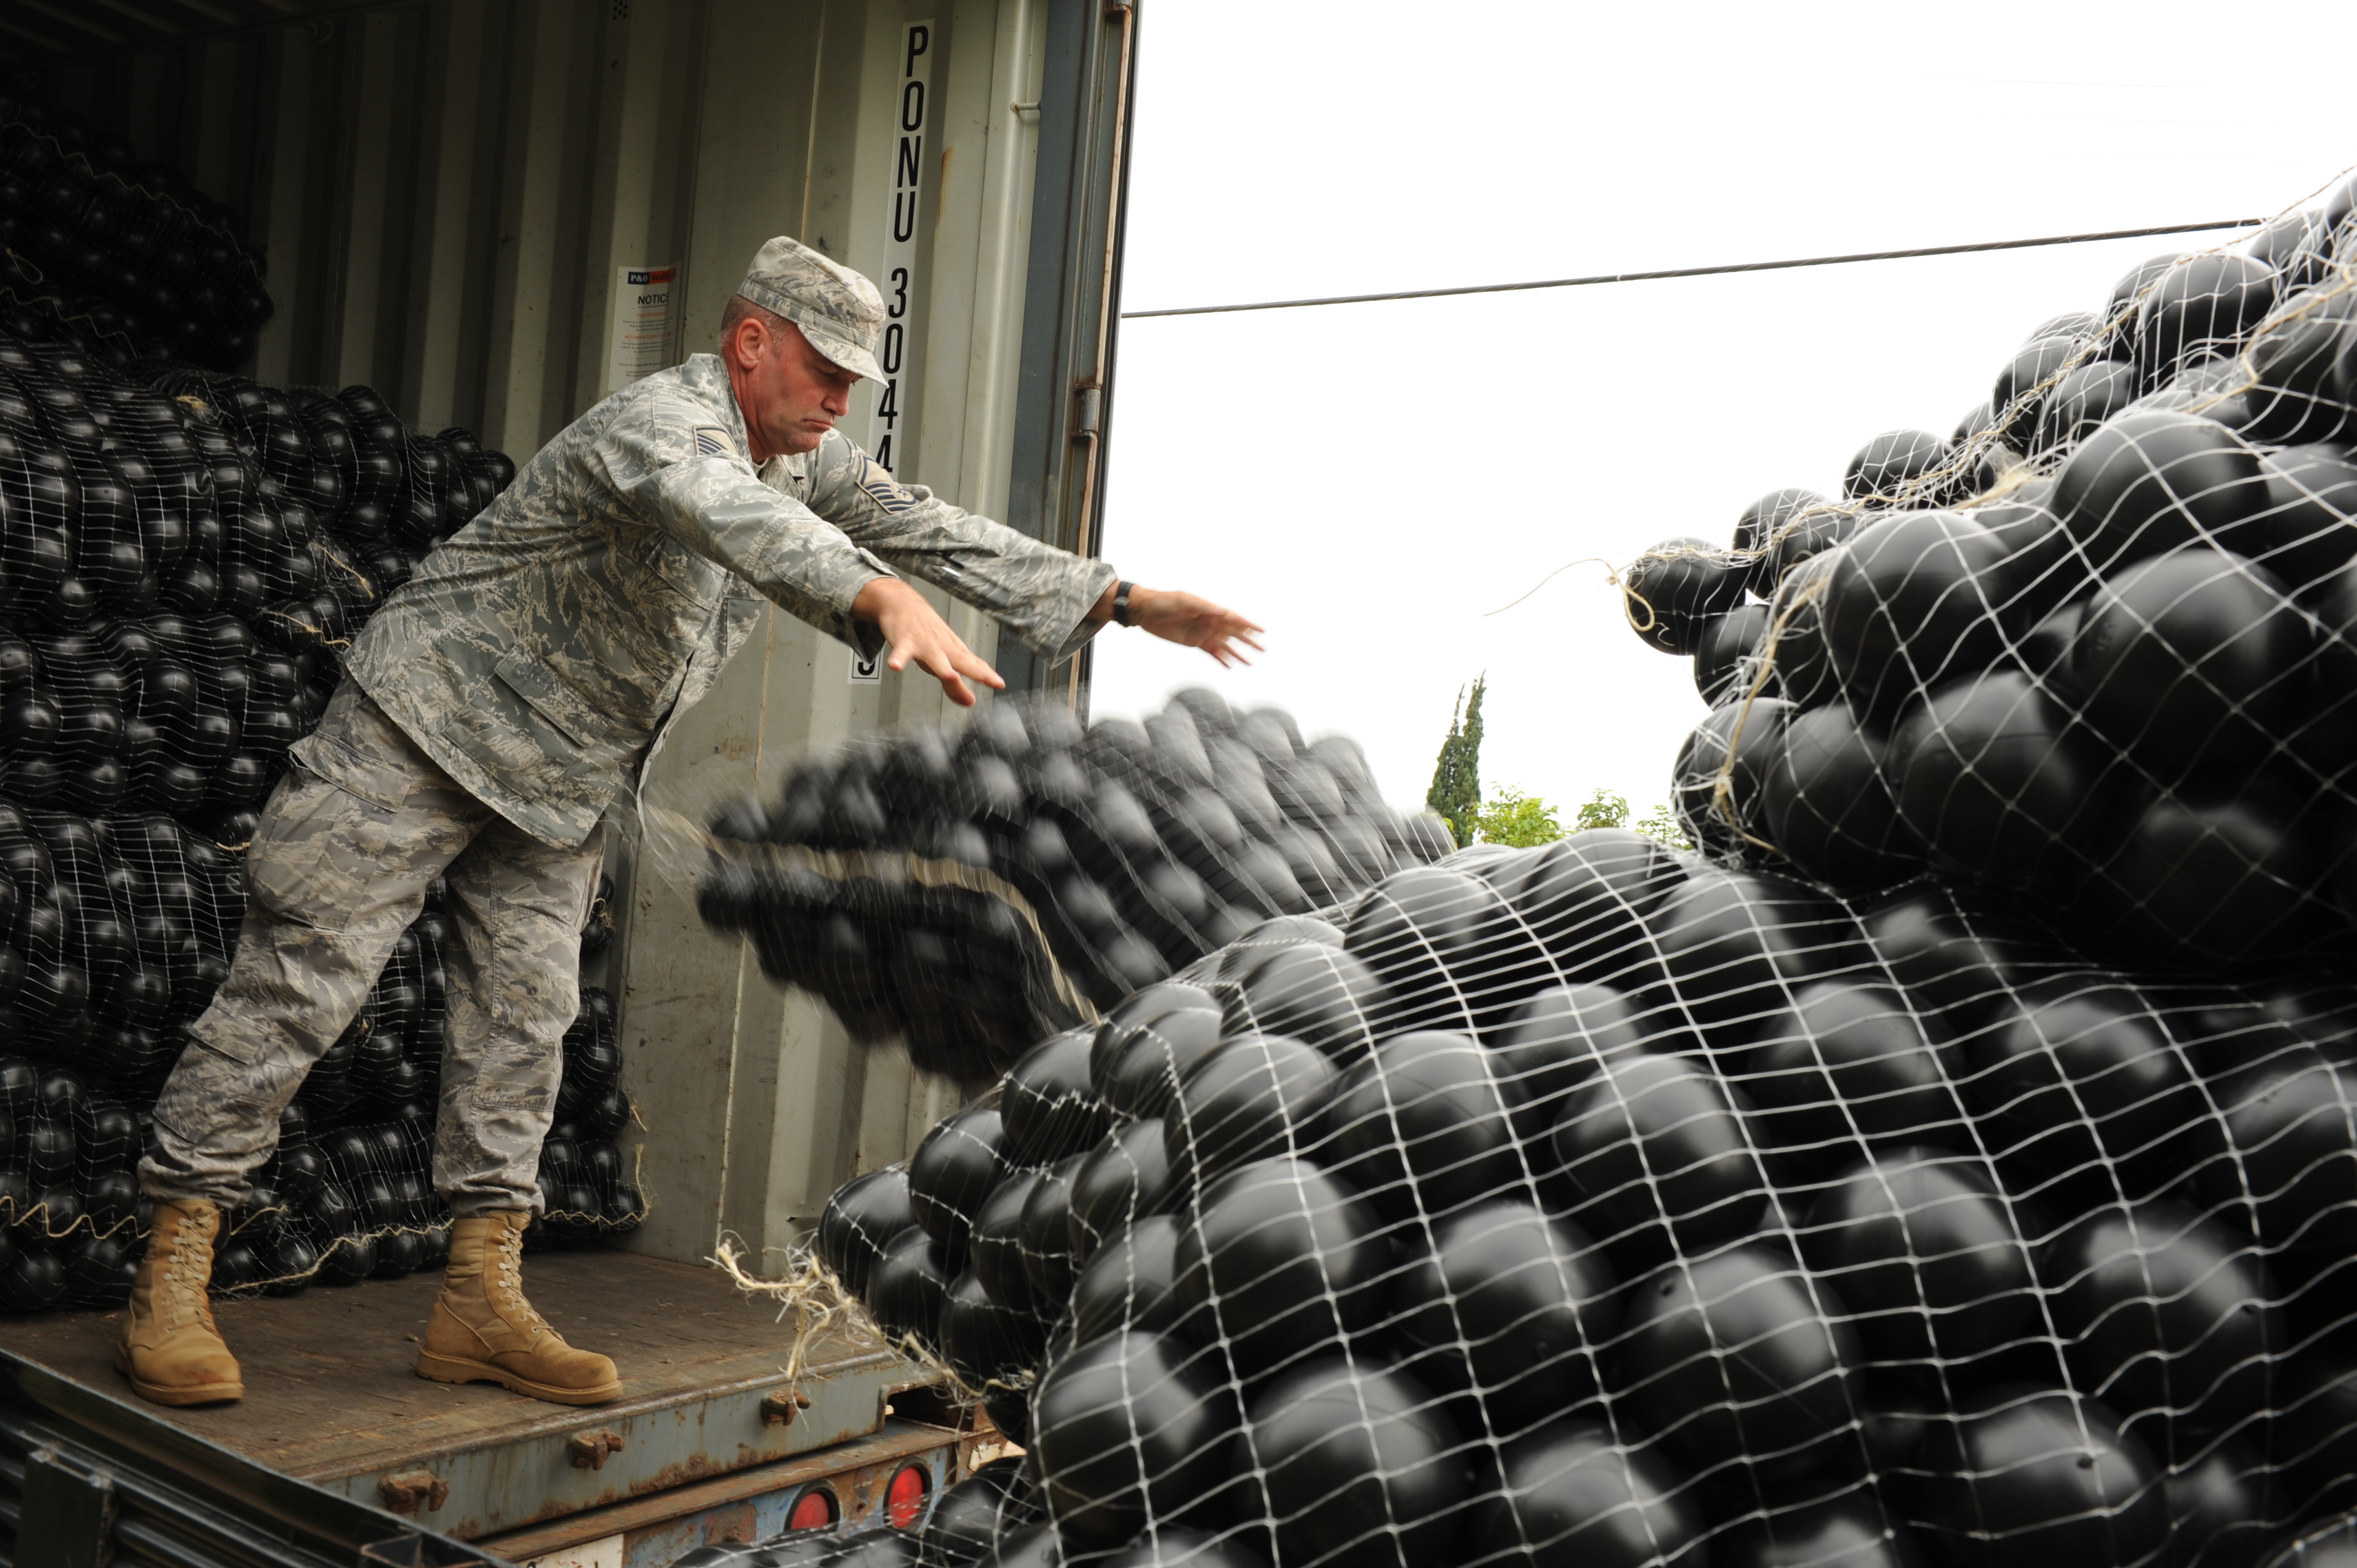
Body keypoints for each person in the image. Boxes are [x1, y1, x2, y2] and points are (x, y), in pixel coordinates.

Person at [117, 236, 1262, 1409]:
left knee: (525, 1025)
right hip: (419, 726)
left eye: (853, 384)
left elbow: (928, 524)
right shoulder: (663, 427)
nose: (836, 399)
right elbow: (728, 515)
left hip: (560, 776)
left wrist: (1118, 602)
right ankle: (172, 1269)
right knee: (301, 980)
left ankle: (476, 1300)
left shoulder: (800, 461)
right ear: (750, 340)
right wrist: (870, 596)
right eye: (821, 370)